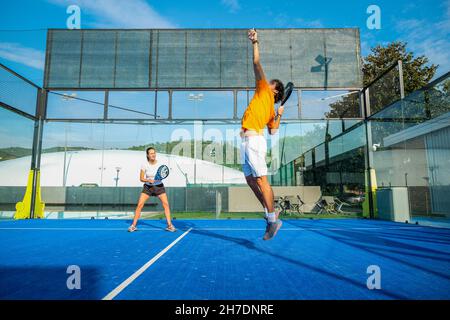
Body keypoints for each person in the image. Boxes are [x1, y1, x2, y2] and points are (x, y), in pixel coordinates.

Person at [241, 28, 285, 240]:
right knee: (250, 180)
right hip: (248, 141)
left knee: (262, 181)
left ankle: (272, 220)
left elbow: (256, 64)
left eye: (270, 83)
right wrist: (278, 116)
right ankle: (271, 214)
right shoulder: (267, 105)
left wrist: (255, 42)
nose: (266, 82)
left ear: (274, 90)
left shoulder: (265, 92)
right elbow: (274, 130)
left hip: (254, 142)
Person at [128, 147, 176, 232]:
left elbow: (163, 174)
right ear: (148, 155)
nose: (153, 154)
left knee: (166, 204)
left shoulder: (160, 164)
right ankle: (133, 225)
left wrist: (157, 179)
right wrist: (148, 180)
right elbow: (141, 178)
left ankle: (169, 225)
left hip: (159, 187)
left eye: (154, 153)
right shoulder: (144, 164)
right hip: (148, 187)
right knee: (140, 205)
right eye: (151, 153)